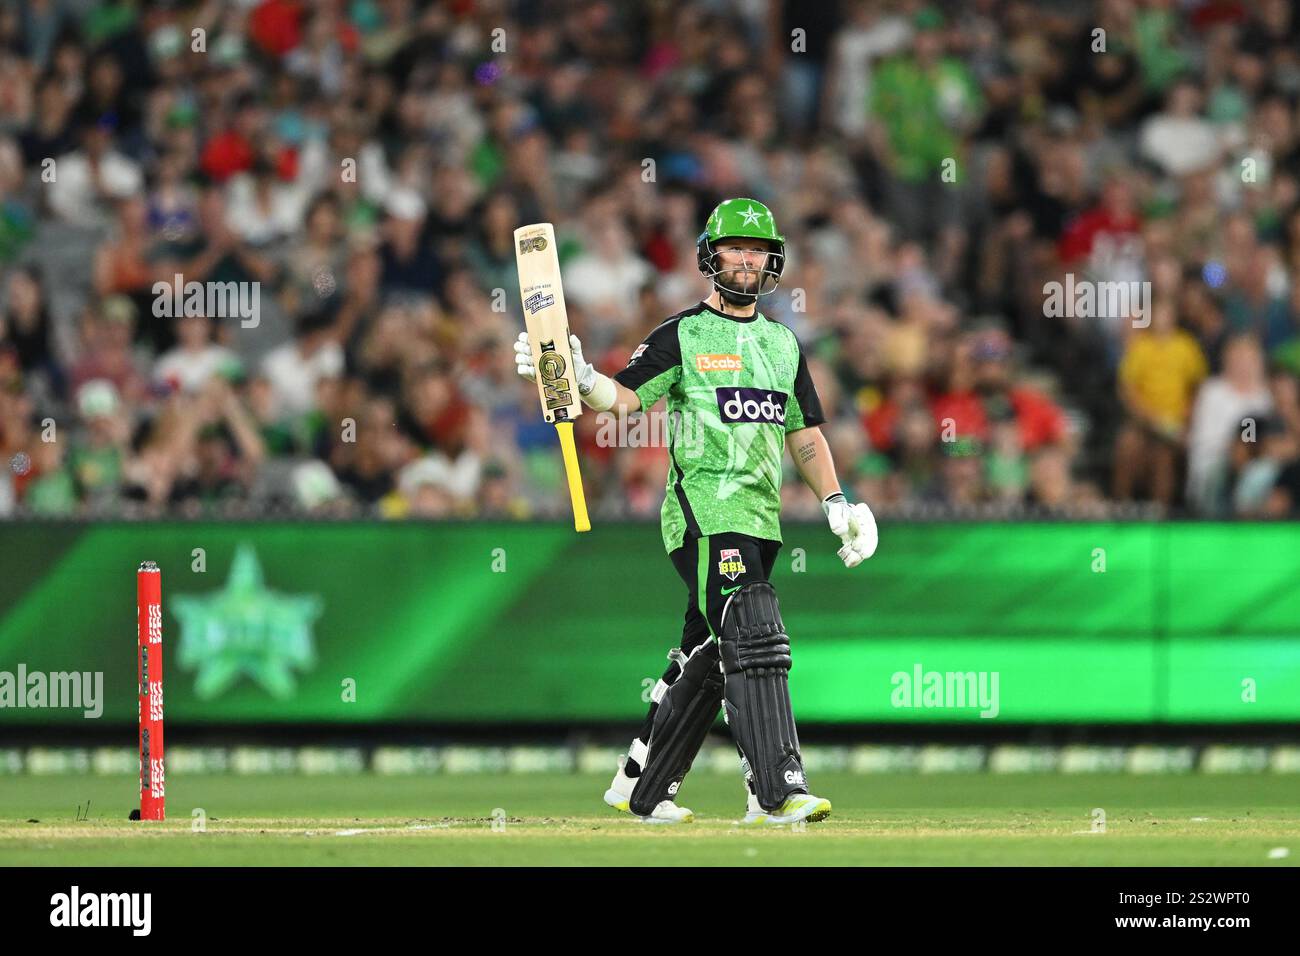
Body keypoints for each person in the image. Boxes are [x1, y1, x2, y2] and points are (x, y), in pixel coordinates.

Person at [514, 198, 877, 825]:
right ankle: (776, 790)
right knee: (752, 622)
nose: (746, 259)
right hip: (703, 513)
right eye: (735, 247)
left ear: (773, 260)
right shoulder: (681, 333)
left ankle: (642, 787)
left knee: (709, 650)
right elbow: (624, 399)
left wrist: (838, 502)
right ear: (711, 256)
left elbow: (806, 434)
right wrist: (576, 376)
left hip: (762, 521)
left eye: (757, 249)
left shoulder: (784, 344)